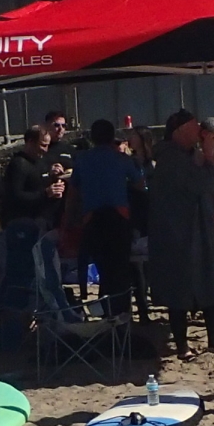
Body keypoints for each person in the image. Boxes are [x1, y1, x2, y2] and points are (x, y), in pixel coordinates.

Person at [145, 110, 214, 360]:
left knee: (210, 284)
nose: (198, 132)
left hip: (197, 230)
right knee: (179, 291)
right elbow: (205, 184)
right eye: (193, 128)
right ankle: (183, 346)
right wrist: (210, 156)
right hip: (179, 235)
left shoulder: (187, 155)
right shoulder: (171, 158)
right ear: (179, 131)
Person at [68, 119, 145, 320]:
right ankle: (121, 313)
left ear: (92, 138)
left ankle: (107, 312)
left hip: (93, 222)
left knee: (103, 269)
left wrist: (69, 220)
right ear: (112, 137)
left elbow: (73, 194)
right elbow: (140, 185)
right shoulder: (121, 159)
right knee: (120, 271)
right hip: (118, 221)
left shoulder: (82, 160)